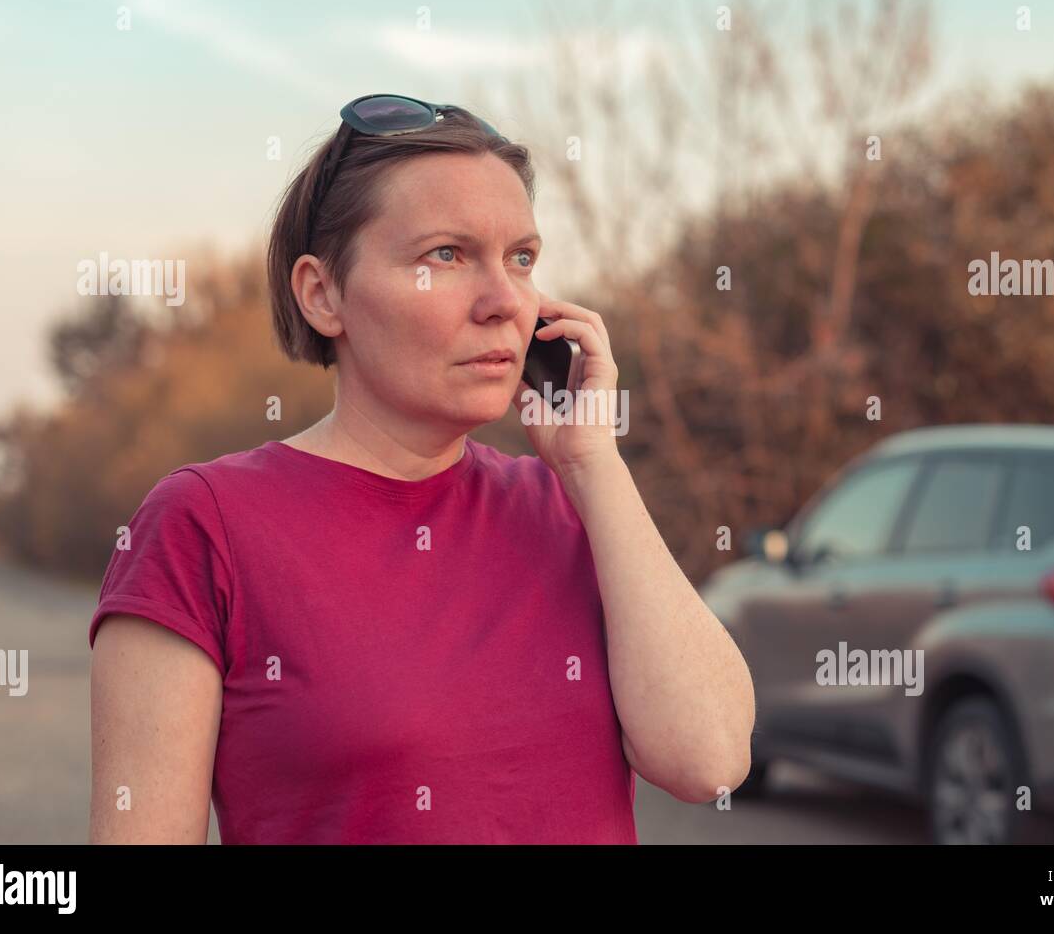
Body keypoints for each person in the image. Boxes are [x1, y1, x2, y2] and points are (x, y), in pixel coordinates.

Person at [87, 94, 754, 843]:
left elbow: (709, 762)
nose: (504, 301)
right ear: (323, 295)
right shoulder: (203, 523)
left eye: (521, 258)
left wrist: (596, 465)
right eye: (446, 255)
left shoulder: (573, 504)